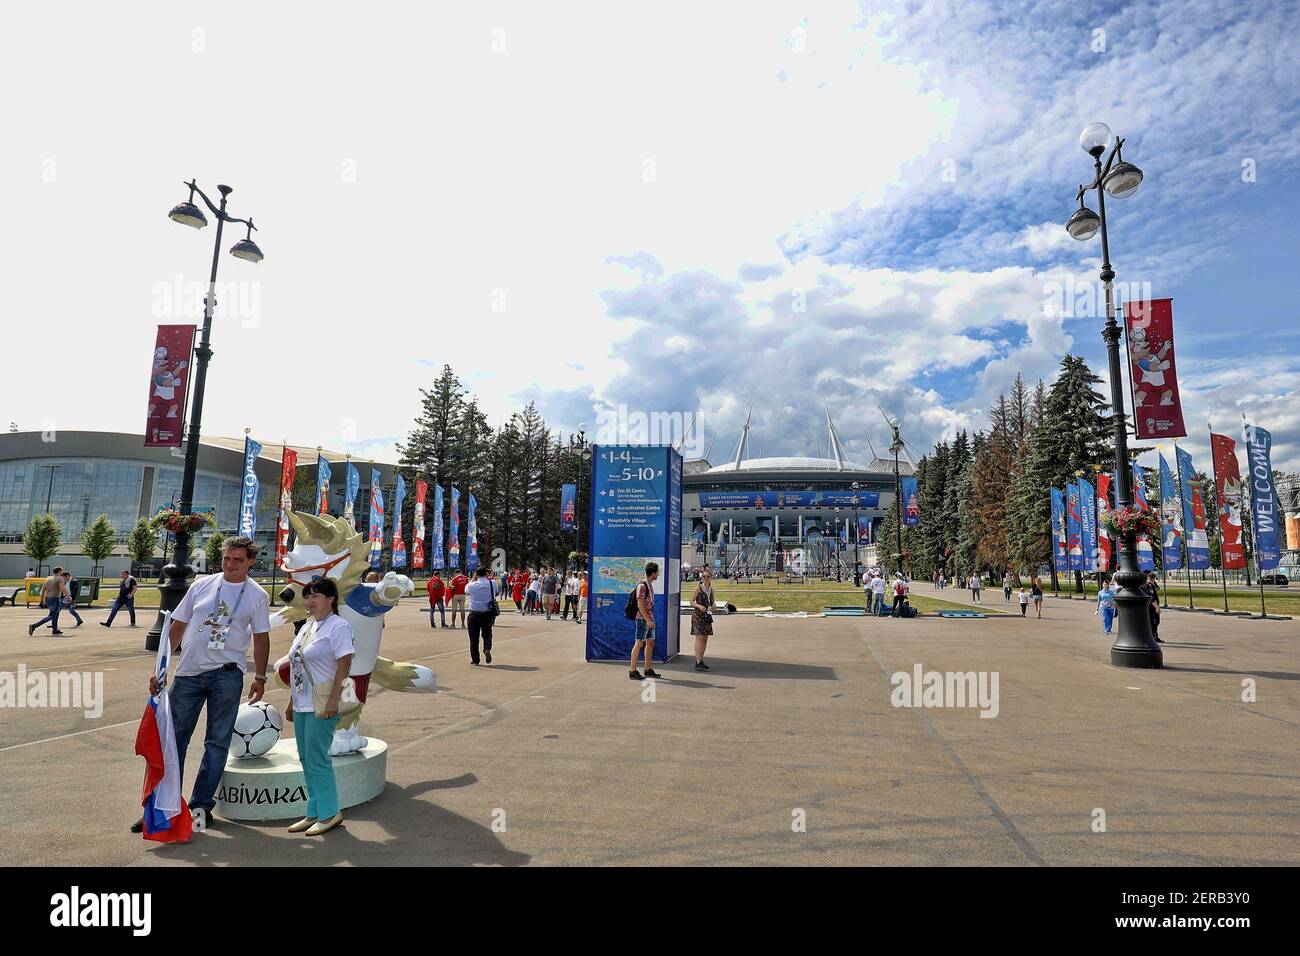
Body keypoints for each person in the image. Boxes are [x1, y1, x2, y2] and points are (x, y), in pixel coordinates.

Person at [131, 536, 270, 834]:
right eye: (227, 558)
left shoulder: (257, 595)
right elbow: (177, 626)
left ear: (250, 562)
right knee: (173, 741)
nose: (230, 564)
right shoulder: (202, 585)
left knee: (217, 742)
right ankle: (161, 807)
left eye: (237, 560)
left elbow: (261, 638)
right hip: (189, 674)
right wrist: (160, 668)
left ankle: (200, 807)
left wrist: (260, 676)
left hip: (227, 676)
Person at [280, 577, 353, 836]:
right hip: (302, 702)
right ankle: (314, 811)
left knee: (317, 759)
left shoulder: (338, 626)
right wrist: (291, 701)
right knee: (305, 758)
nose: (309, 601)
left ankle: (330, 811)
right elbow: (298, 666)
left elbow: (344, 665)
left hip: (322, 702)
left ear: (331, 599)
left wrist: (334, 699)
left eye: (316, 596)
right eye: (307, 596)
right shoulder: (308, 626)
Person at [629, 562, 660, 681]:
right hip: (642, 619)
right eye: (657, 572)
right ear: (653, 573)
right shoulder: (642, 586)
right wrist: (647, 620)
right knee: (639, 643)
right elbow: (640, 604)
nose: (658, 574)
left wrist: (651, 619)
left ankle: (647, 668)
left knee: (650, 642)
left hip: (649, 618)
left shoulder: (649, 584)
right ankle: (632, 671)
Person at [465, 567, 498, 665]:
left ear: (476, 574)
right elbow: (496, 592)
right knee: (487, 634)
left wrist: (473, 578)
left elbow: (466, 590)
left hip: (474, 613)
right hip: (487, 613)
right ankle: (487, 648)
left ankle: (475, 659)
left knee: (473, 638)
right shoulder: (493, 583)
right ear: (486, 574)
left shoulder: (472, 585)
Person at [29, 566, 70, 636]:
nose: (62, 572)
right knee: (52, 616)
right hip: (55, 598)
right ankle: (34, 626)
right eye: (62, 571)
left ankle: (55, 629)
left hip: (47, 598)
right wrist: (68, 596)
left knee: (55, 614)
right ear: (59, 571)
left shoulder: (47, 579)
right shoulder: (60, 579)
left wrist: (41, 601)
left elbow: (43, 591)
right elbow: (62, 589)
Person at [691, 568, 715, 670]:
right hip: (698, 616)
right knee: (699, 637)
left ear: (710, 578)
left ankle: (701, 660)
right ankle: (698, 661)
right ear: (701, 577)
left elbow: (712, 601)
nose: (705, 578)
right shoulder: (698, 589)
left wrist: (714, 606)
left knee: (705, 638)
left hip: (707, 616)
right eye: (704, 576)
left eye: (707, 576)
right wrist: (699, 606)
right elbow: (691, 601)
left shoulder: (711, 590)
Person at [1142, 572, 1163, 643]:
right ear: (1151, 578)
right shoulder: (1149, 585)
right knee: (1154, 622)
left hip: (1151, 607)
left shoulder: (1149, 585)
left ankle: (1155, 636)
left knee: (1155, 622)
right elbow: (1152, 598)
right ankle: (1153, 637)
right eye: (1153, 579)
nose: (1154, 580)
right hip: (1152, 608)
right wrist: (1157, 607)